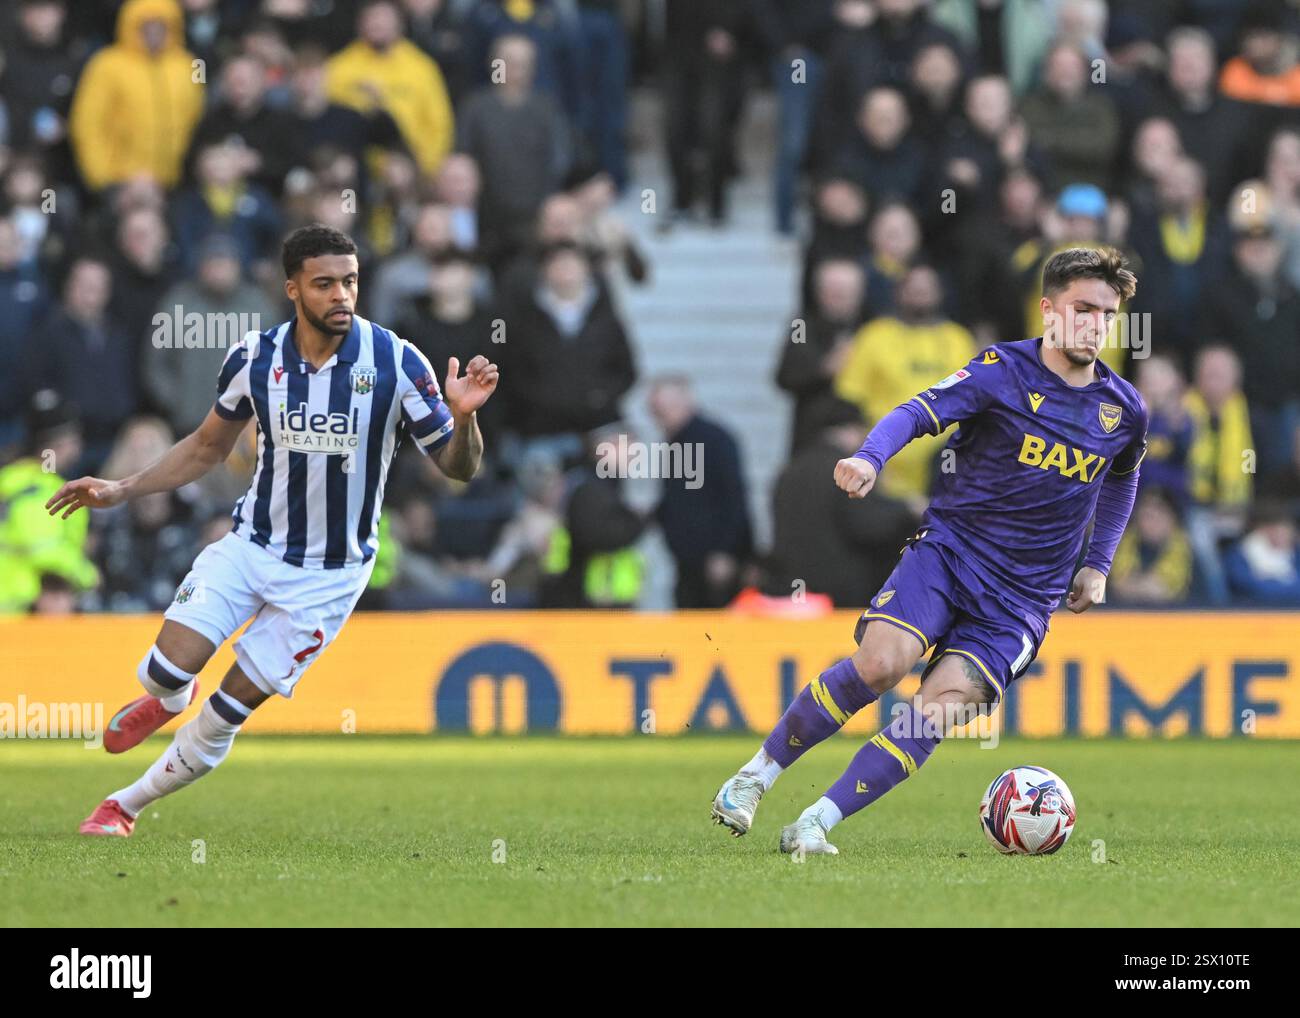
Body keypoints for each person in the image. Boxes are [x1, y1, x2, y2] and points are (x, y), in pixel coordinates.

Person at [48, 224, 499, 838]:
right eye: (325, 284)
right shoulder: (255, 359)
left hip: (329, 578)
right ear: (292, 289)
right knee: (159, 673)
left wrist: (465, 419)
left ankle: (122, 806)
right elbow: (208, 447)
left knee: (224, 713)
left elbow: (458, 466)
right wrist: (122, 489)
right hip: (250, 547)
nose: (341, 295)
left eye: (350, 282)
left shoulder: (396, 361)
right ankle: (168, 699)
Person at [712, 247, 1148, 855]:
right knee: (882, 664)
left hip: (1022, 601)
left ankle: (816, 822)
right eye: (1082, 309)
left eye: (1107, 314)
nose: (1094, 325)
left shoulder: (1123, 409)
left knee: (934, 710)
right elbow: (918, 412)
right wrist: (870, 457)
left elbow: (1123, 479)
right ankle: (754, 777)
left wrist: (1098, 563)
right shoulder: (1000, 371)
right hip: (951, 555)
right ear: (1049, 310)